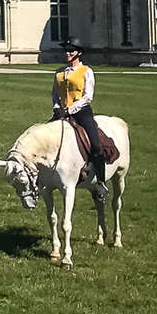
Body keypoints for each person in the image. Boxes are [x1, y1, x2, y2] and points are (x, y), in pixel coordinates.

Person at [53, 37, 108, 200]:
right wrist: (57, 108)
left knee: (96, 145)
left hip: (82, 112)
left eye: (71, 50)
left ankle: (101, 183)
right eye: (66, 50)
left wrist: (70, 109)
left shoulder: (87, 71)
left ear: (79, 53)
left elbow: (88, 96)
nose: (68, 53)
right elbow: (55, 94)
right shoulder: (59, 72)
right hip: (61, 112)